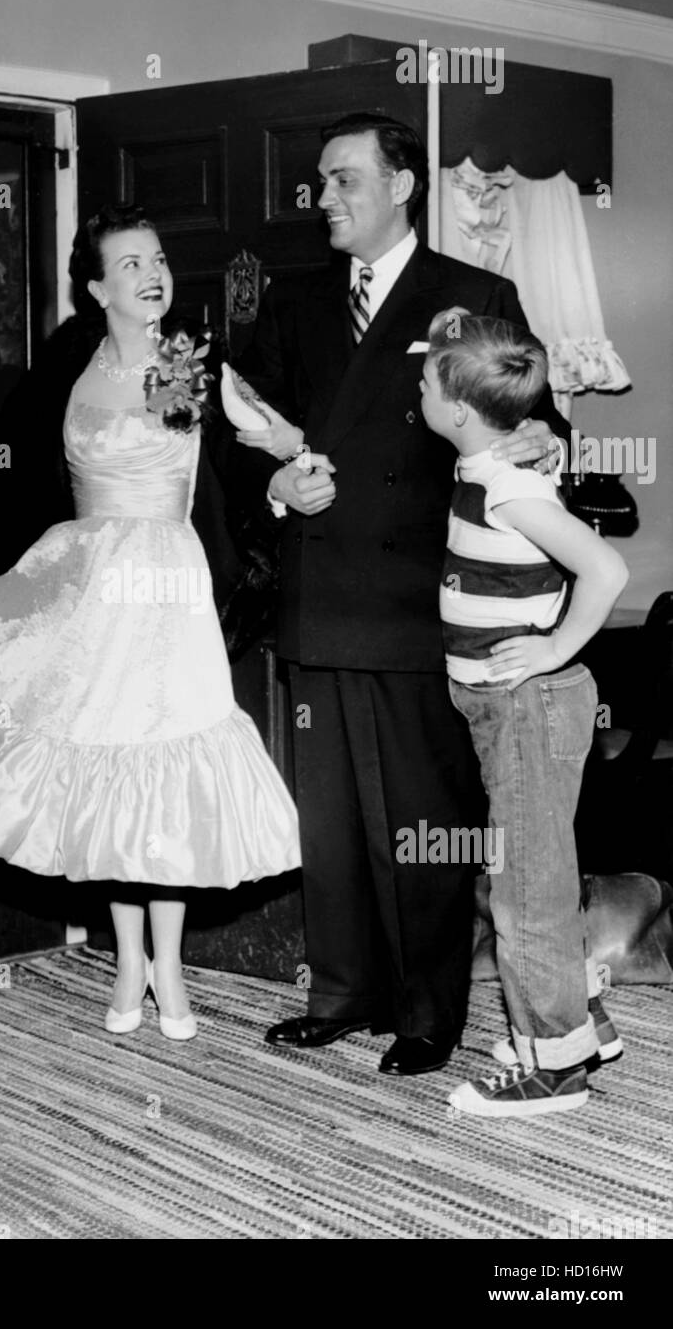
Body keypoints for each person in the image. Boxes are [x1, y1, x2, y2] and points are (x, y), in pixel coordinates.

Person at [0, 204, 300, 1038]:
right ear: (95, 288)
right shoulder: (69, 361)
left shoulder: (190, 362)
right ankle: (127, 966)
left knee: (163, 770)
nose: (152, 275)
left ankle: (170, 971)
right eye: (130, 264)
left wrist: (287, 463)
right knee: (106, 774)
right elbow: (6, 460)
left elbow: (263, 446)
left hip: (167, 594)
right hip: (82, 591)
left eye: (157, 260)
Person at [232, 112, 568, 1074]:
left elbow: (537, 424)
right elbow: (238, 429)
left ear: (402, 184)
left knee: (424, 821)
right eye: (321, 181)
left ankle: (427, 1011)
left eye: (344, 179)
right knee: (331, 818)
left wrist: (544, 443)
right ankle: (342, 992)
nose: (324, 198)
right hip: (319, 599)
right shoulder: (295, 300)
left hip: (422, 605)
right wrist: (274, 482)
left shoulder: (471, 294)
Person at [419, 310, 628, 1115]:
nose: (416, 390)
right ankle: (579, 1023)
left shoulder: (508, 485)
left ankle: (553, 1069)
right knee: (539, 873)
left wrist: (554, 647)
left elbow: (604, 570)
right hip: (504, 709)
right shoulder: (486, 461)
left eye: (425, 382)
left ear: (456, 409)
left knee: (524, 891)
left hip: (526, 706)